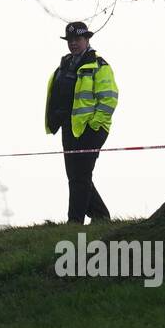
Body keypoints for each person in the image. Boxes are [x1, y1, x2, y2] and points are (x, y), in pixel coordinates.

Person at [44, 22, 118, 224]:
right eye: (70, 40)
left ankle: (74, 222)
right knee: (76, 176)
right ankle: (101, 216)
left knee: (80, 176)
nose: (73, 44)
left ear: (87, 40)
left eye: (77, 39)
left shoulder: (99, 66)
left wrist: (94, 126)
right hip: (69, 128)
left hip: (91, 129)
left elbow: (109, 99)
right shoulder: (65, 64)